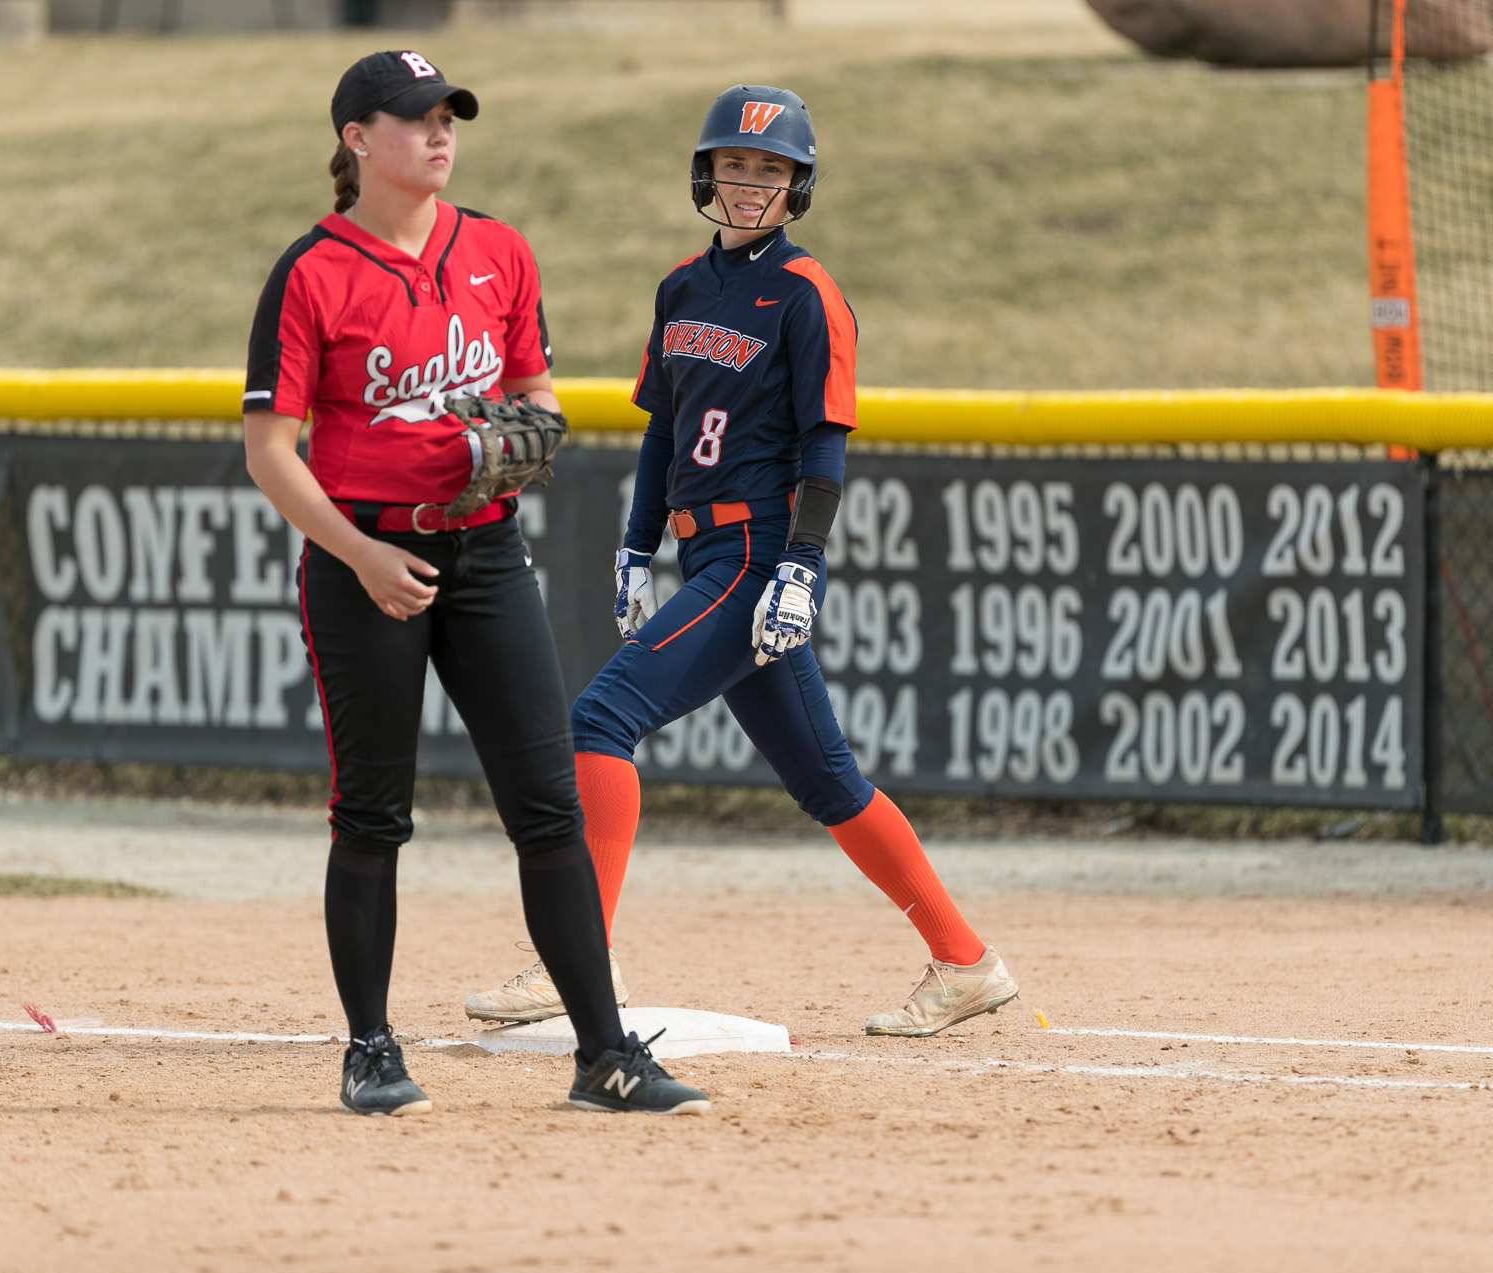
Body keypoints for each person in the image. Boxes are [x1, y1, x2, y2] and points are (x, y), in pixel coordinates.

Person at [465, 85, 1019, 1037]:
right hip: (700, 546)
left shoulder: (807, 293)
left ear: (798, 184)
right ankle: (965, 961)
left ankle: (577, 957)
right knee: (827, 779)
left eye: (771, 169)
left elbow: (825, 449)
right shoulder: (682, 288)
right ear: (706, 172)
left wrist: (803, 566)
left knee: (600, 718)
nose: (750, 181)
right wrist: (637, 548)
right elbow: (663, 434)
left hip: (757, 552)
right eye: (735, 164)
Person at [242, 50, 707, 1116]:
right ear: (358, 139)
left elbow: (536, 393)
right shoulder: (312, 271)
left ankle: (606, 1056)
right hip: (364, 557)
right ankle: (370, 1048)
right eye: (414, 117)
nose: (439, 133)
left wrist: (523, 438)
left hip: (485, 551)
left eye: (449, 115)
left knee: (547, 807)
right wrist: (358, 554)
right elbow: (272, 450)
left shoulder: (497, 249)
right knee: (372, 812)